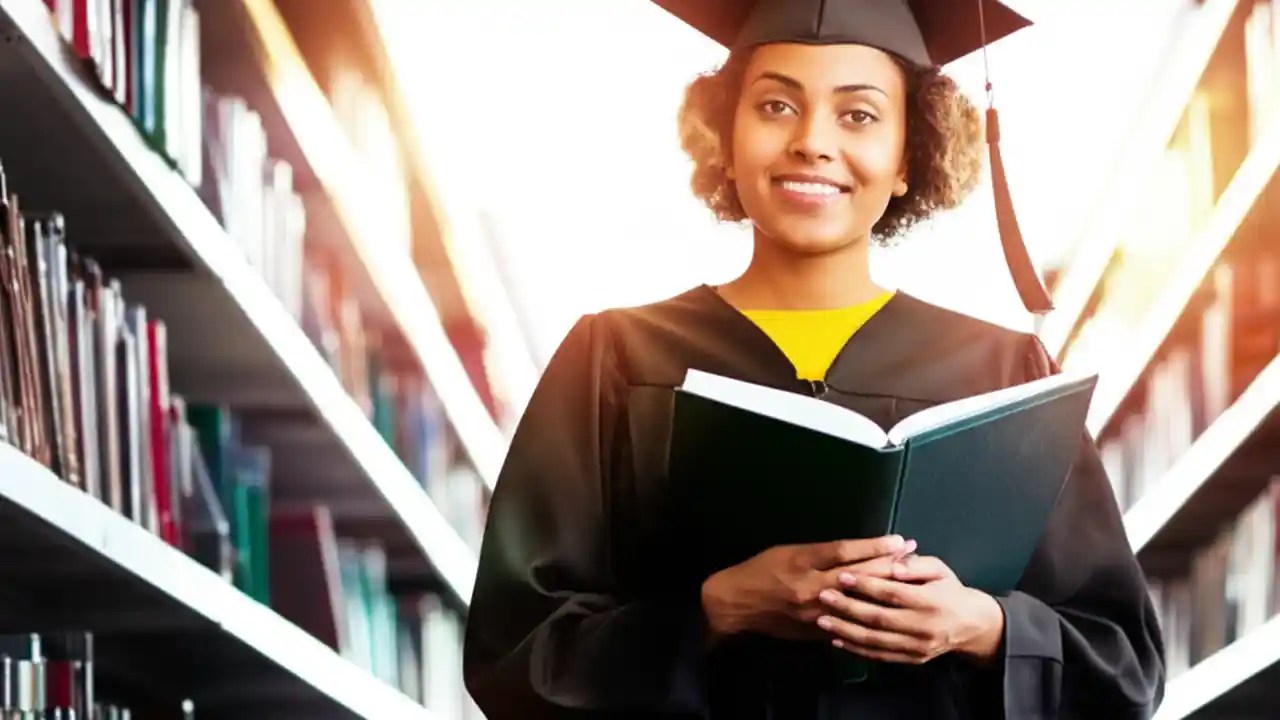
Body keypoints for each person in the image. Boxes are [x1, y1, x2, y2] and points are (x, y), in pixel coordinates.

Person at [462, 0, 1166, 717]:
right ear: (724, 139)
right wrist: (713, 613)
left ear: (907, 158)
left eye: (858, 115)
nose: (812, 143)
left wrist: (984, 627)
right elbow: (515, 653)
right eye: (775, 106)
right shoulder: (614, 360)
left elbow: (1123, 665)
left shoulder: (1002, 371)